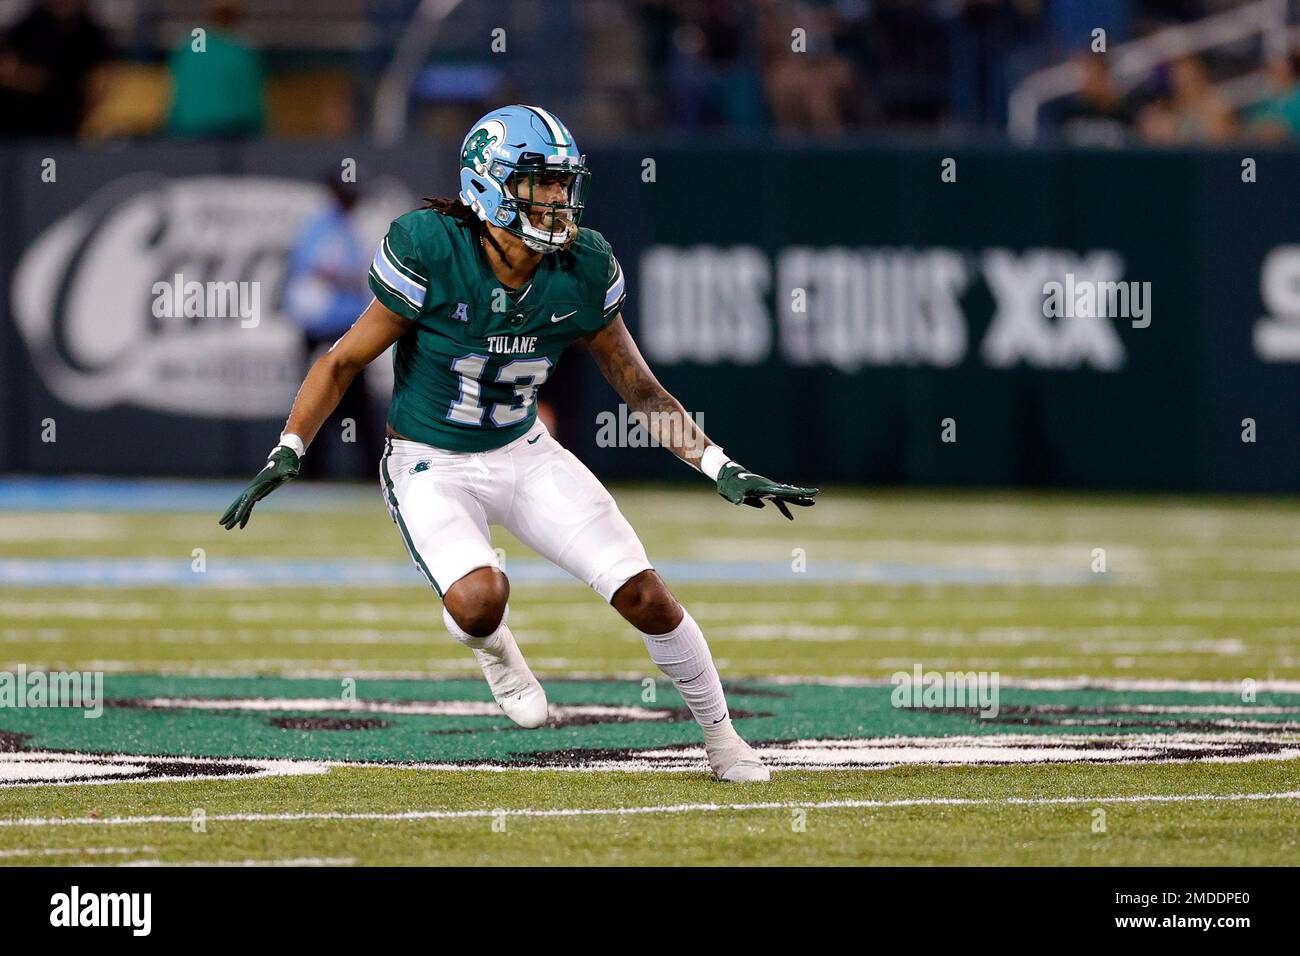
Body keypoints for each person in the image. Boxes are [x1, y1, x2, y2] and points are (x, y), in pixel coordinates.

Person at [219, 105, 818, 782]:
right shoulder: (432, 249)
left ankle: (724, 739)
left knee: (646, 595)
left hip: (525, 451)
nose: (560, 199)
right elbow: (341, 361)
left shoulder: (582, 266)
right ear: (488, 184)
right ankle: (493, 646)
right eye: (542, 182)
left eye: (565, 183)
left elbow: (641, 389)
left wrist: (718, 464)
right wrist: (291, 447)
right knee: (480, 600)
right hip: (431, 462)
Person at [283, 174, 380, 477]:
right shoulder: (322, 227)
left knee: (357, 406)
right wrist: (349, 277)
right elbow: (318, 267)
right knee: (319, 402)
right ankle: (309, 470)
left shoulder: (346, 227)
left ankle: (364, 471)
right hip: (324, 330)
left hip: (346, 330)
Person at [0, 0, 111, 138]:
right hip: (15, 127)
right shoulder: (28, 26)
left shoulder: (92, 34)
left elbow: (101, 83)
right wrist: (27, 78)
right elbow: (8, 71)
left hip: (62, 127)